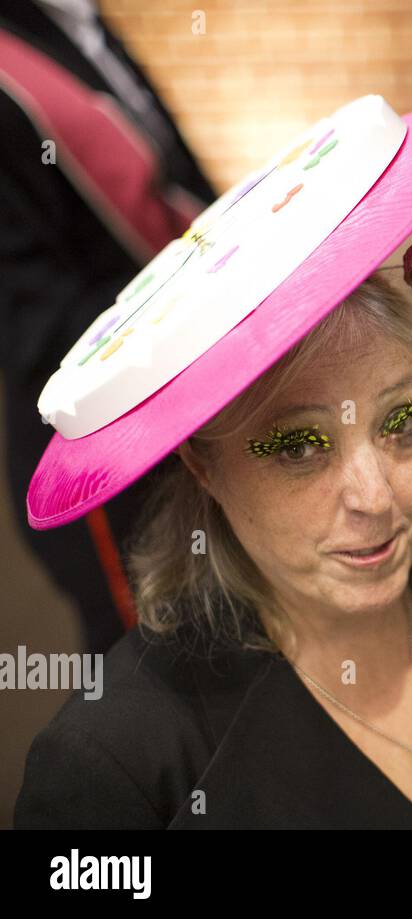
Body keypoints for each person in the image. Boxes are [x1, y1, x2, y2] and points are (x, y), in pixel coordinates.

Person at [14, 96, 412, 829]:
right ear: (203, 467)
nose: (377, 495)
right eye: (301, 449)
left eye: (401, 422)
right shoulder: (121, 762)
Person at [0, 0, 216, 653]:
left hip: (181, 400)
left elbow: (168, 176)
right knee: (143, 662)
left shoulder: (78, 18)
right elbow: (26, 314)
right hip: (98, 444)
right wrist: (185, 315)